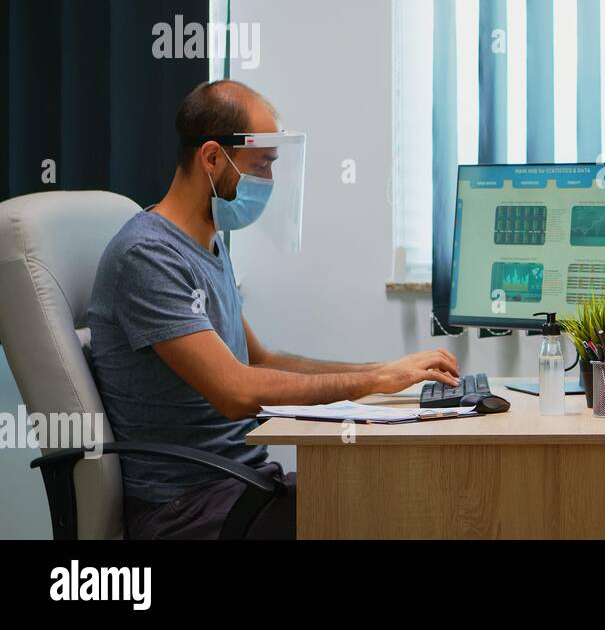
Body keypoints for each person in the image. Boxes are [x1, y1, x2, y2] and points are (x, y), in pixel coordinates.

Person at [87, 80, 459, 539]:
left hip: (240, 485)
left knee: (405, 498)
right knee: (392, 517)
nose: (269, 180)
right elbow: (236, 390)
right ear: (211, 158)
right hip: (186, 507)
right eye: (261, 164)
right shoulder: (147, 256)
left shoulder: (208, 244)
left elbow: (259, 360)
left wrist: (386, 370)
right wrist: (375, 382)